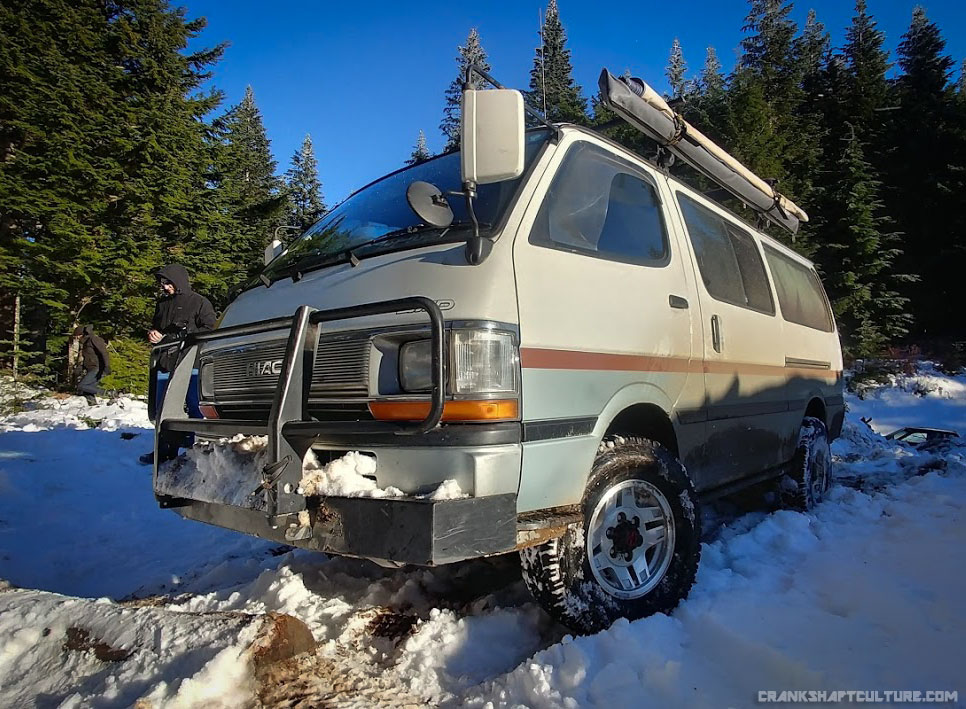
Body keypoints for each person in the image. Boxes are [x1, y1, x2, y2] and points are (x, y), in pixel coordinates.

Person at [139, 264, 217, 465]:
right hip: (165, 362)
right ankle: (164, 450)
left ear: (178, 280)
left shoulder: (199, 302)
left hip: (190, 361)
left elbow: (210, 328)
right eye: (162, 283)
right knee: (162, 408)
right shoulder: (162, 304)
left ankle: (197, 449)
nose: (165, 287)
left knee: (194, 406)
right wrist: (153, 334)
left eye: (168, 282)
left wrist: (185, 333)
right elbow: (156, 327)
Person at [73, 325, 110, 406]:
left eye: (77, 336)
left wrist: (107, 366)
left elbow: (104, 353)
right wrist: (80, 367)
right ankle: (92, 406)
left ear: (82, 334)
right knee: (87, 389)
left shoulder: (94, 339)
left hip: (97, 368)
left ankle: (109, 393)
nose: (76, 339)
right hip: (91, 368)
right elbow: (88, 358)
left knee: (82, 386)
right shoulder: (86, 343)